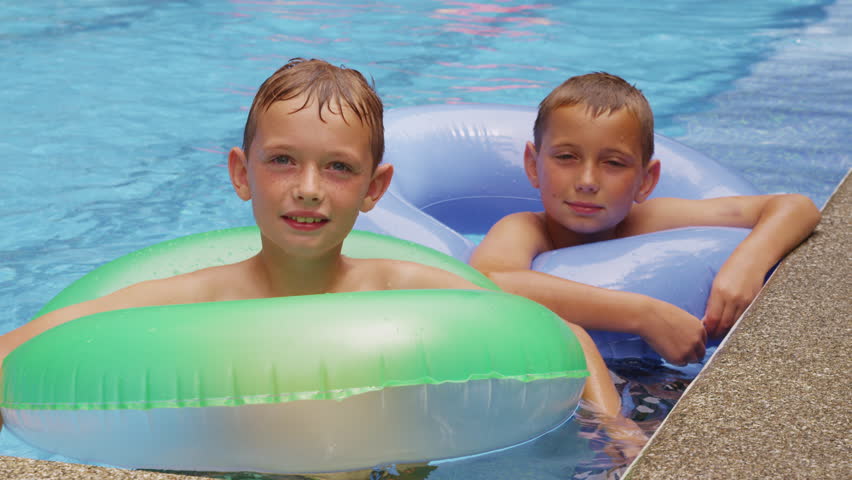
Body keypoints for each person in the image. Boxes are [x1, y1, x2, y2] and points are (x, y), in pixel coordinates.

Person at [0, 59, 632, 439]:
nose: (307, 190)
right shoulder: (201, 296)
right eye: (282, 162)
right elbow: (31, 342)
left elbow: (561, 337)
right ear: (241, 173)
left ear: (374, 188)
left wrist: (617, 433)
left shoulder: (397, 286)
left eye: (337, 168)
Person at [469, 72, 821, 366]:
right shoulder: (526, 229)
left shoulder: (649, 220)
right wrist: (643, 314)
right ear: (533, 165)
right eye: (566, 157)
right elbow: (489, 281)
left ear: (646, 180)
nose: (587, 181)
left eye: (614, 163)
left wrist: (748, 263)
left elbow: (795, 206)